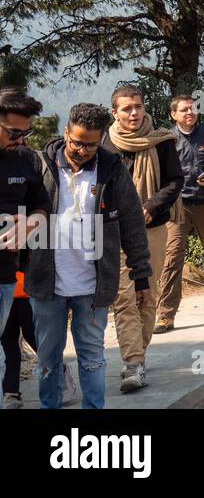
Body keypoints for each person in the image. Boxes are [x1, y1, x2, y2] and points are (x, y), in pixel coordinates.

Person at [26, 104, 152, 409]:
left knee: (93, 359)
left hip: (94, 285)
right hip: (47, 282)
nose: (82, 150)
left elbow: (132, 224)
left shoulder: (112, 170)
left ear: (101, 140)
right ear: (66, 132)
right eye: (76, 142)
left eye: (91, 144)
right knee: (48, 360)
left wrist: (141, 275)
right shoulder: (41, 165)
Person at [102, 84, 184, 393]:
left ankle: (139, 353)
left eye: (138, 106)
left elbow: (176, 180)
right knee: (123, 297)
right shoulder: (105, 145)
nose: (134, 113)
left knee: (147, 295)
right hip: (116, 231)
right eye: (127, 108)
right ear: (115, 112)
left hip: (153, 227)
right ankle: (132, 363)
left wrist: (151, 206)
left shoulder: (162, 141)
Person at [155, 95, 204, 331]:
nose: (189, 113)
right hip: (178, 205)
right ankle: (166, 314)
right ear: (174, 115)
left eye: (192, 109)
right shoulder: (166, 139)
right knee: (172, 257)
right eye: (184, 110)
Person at [0, 90, 52, 372]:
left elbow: (41, 203)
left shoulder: (25, 159)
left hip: (6, 277)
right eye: (12, 133)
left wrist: (31, 223)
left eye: (26, 133)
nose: (20, 140)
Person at [1, 271, 35, 408]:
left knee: (33, 336)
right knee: (8, 342)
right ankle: (11, 392)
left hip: (26, 287)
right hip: (4, 286)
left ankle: (58, 371)